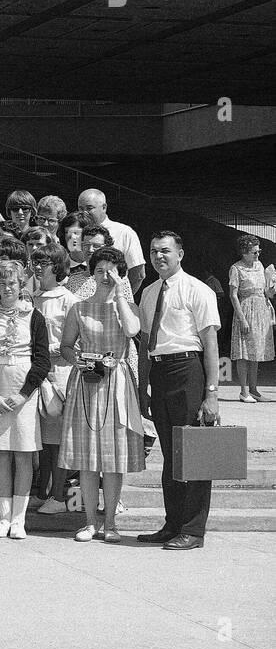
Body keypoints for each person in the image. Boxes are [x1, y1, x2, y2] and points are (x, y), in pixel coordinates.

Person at [136, 231, 221, 550]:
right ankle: (172, 524)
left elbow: (210, 342)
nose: (160, 256)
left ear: (180, 254)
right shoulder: (148, 292)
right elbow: (145, 343)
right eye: (154, 251)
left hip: (188, 370)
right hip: (160, 373)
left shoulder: (197, 290)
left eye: (166, 251)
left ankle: (194, 530)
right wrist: (143, 387)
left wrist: (211, 392)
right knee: (171, 455)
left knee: (195, 453)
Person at [58, 246, 143, 543]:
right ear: (91, 274)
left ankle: (111, 523)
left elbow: (132, 331)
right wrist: (77, 359)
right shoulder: (79, 307)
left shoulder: (128, 306)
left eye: (111, 270)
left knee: (114, 457)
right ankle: (89, 522)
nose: (105, 275)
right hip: (86, 381)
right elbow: (65, 346)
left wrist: (120, 294)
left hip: (117, 382)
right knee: (88, 457)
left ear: (120, 274)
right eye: (99, 270)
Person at [0, 258, 49, 540]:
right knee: (1, 453)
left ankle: (19, 518)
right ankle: (4, 516)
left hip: (24, 389)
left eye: (12, 283)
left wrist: (24, 395)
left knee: (23, 454)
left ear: (21, 285)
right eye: (2, 283)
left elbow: (42, 361)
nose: (7, 288)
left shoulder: (34, 317)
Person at [32, 243, 79, 515]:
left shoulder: (68, 300)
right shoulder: (33, 297)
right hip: (38, 375)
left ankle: (59, 496)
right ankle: (43, 492)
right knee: (45, 443)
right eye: (35, 261)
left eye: (44, 262)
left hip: (60, 377)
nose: (38, 267)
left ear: (57, 267)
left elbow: (73, 343)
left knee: (60, 441)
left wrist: (48, 351)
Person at [229, 234, 273, 401]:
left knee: (255, 351)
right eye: (254, 252)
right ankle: (243, 391)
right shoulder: (236, 268)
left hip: (261, 309)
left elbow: (264, 291)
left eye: (258, 251)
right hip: (245, 309)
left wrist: (271, 290)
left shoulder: (260, 265)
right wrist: (242, 318)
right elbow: (233, 295)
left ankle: (254, 390)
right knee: (243, 352)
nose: (257, 255)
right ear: (244, 252)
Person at [76, 189, 146, 293]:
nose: (84, 213)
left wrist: (121, 299)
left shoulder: (124, 232)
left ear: (104, 207)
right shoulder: (75, 233)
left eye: (89, 208)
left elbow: (138, 274)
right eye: (80, 209)